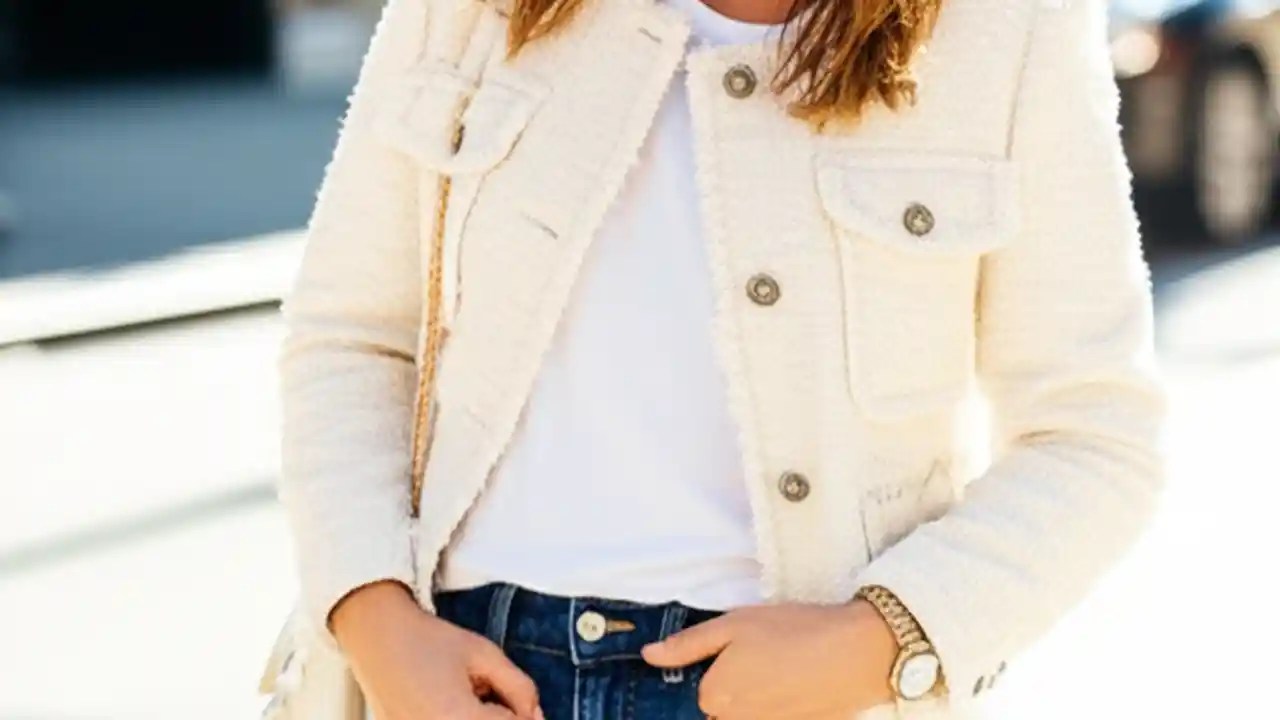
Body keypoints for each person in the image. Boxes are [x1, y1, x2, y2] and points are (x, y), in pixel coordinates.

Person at [276, 0, 1166, 717]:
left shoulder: (1011, 27)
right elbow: (353, 335)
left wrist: (881, 641)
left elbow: (1093, 435)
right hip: (461, 674)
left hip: (798, 696)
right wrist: (376, 620)